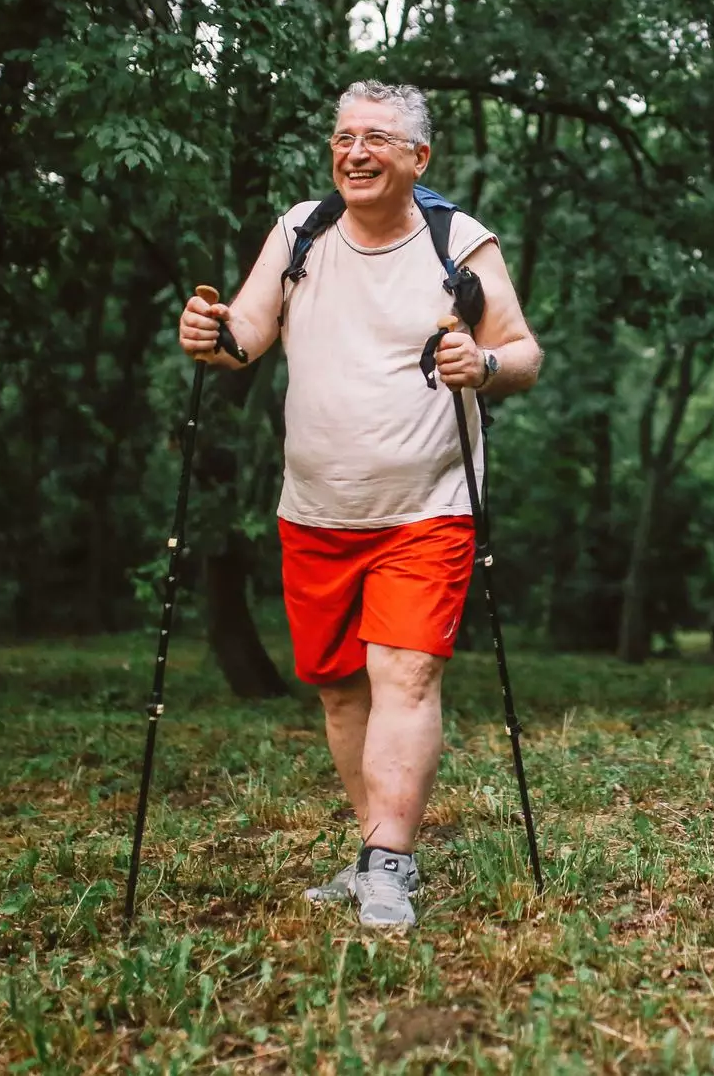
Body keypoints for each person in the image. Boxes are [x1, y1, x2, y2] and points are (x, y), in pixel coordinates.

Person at [176, 80, 541, 930]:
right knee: (341, 690)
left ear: (419, 157)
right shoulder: (300, 231)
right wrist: (210, 335)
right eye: (343, 137)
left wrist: (482, 368)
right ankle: (370, 850)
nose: (355, 151)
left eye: (376, 137)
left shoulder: (458, 242)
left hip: (428, 504)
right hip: (315, 509)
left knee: (404, 674)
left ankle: (391, 866)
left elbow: (522, 353)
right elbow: (246, 337)